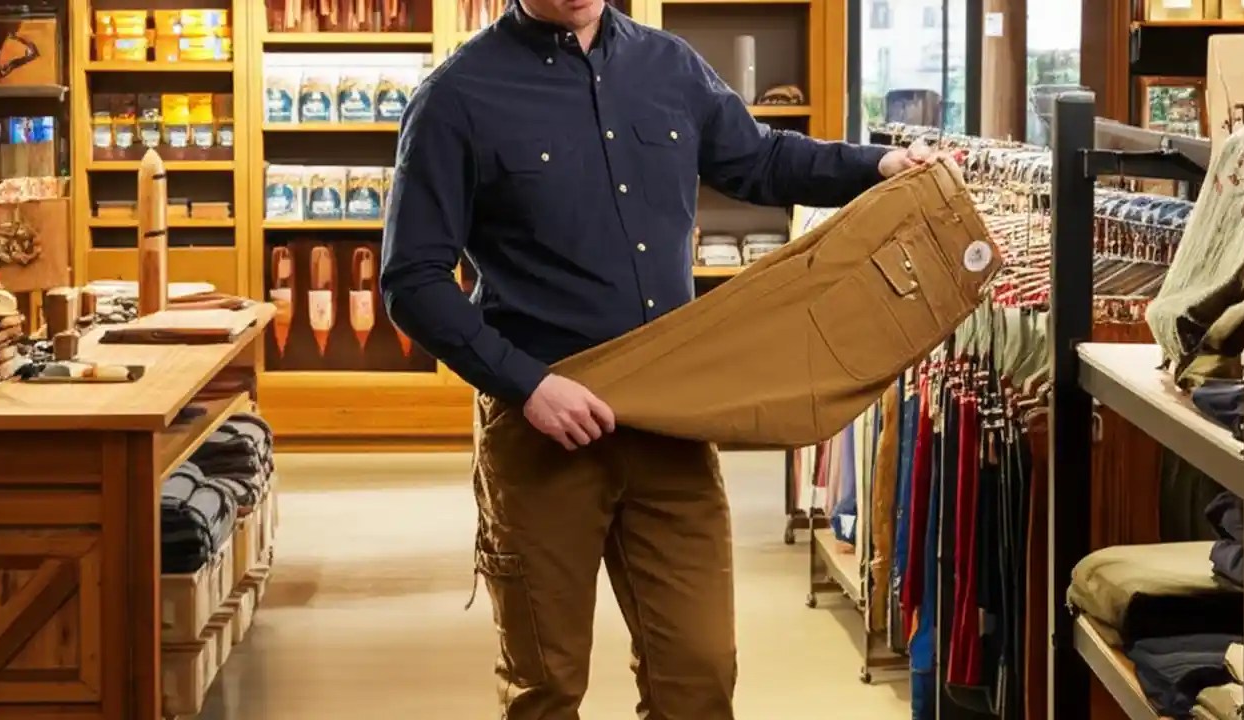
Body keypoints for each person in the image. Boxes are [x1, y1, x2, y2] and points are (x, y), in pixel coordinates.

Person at [380, 1, 934, 717]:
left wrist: (879, 164)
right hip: (541, 429)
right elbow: (413, 282)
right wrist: (531, 386)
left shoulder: (669, 65)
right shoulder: (456, 95)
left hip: (671, 424)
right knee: (544, 686)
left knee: (700, 674)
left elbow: (761, 159)